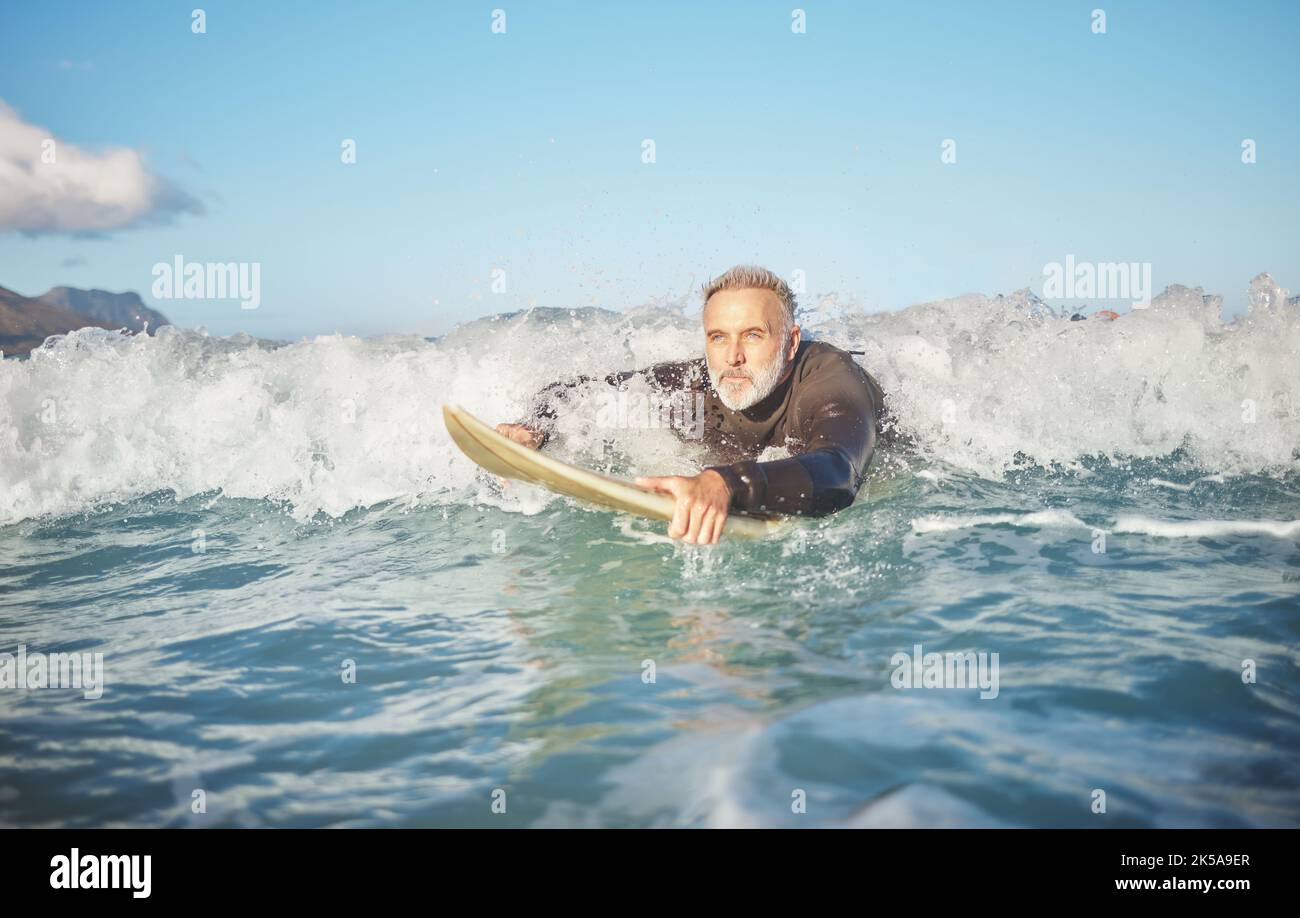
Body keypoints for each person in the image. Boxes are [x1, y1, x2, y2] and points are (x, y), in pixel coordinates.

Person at [495, 265, 888, 544]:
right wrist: (536, 428)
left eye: (753, 336)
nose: (732, 357)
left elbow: (839, 474)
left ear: (789, 342)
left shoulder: (828, 380)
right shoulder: (694, 386)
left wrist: (728, 483)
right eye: (718, 337)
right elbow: (576, 395)